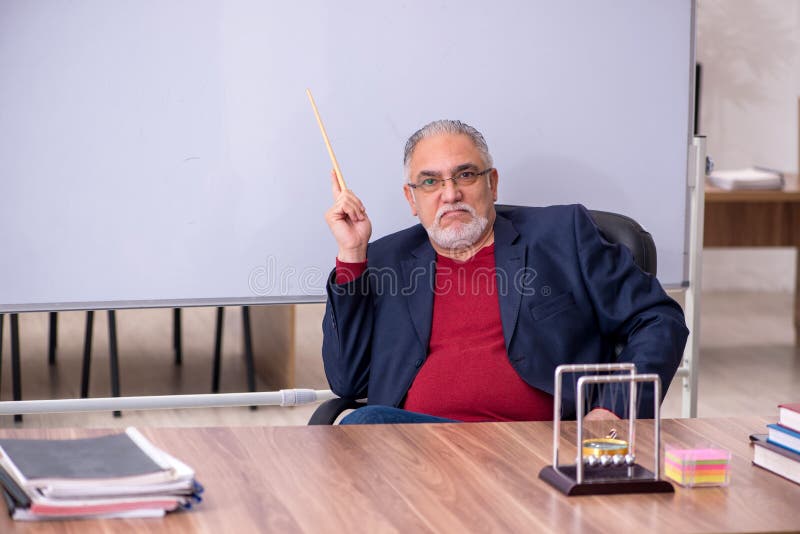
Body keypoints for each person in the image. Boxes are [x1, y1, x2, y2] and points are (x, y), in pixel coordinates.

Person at [322, 120, 688, 424]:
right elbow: (348, 381)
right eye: (431, 181)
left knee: (365, 425)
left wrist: (613, 410)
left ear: (492, 183)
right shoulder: (387, 259)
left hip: (535, 450)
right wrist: (352, 255)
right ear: (411, 199)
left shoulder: (563, 234)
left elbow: (658, 318)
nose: (450, 194)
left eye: (465, 175)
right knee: (364, 426)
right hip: (419, 455)